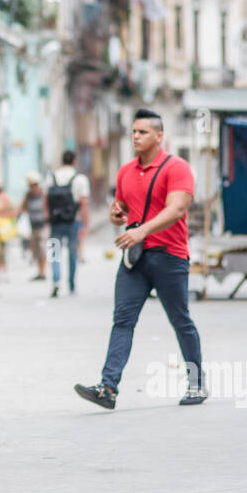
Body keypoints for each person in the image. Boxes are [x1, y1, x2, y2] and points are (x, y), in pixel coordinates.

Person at [74, 109, 206, 409]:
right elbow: (120, 206)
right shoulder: (125, 171)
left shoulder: (178, 168)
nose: (136, 136)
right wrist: (116, 214)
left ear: (160, 136)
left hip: (169, 257)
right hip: (135, 259)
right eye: (133, 132)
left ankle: (197, 384)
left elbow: (176, 209)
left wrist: (141, 230)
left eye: (143, 132)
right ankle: (108, 388)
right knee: (122, 320)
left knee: (180, 321)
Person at [46, 150, 89, 297]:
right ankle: (71, 284)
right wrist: (85, 223)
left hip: (55, 221)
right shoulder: (80, 179)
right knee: (72, 254)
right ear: (75, 161)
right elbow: (84, 203)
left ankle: (56, 281)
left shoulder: (52, 177)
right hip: (73, 221)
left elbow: (46, 200)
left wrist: (47, 217)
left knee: (54, 253)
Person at [21, 171, 49, 281]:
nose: (33, 187)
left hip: (43, 225)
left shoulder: (44, 195)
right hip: (33, 226)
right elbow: (22, 208)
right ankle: (39, 272)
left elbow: (47, 208)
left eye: (35, 185)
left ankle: (43, 272)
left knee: (42, 248)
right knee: (35, 250)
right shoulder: (28, 196)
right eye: (31, 185)